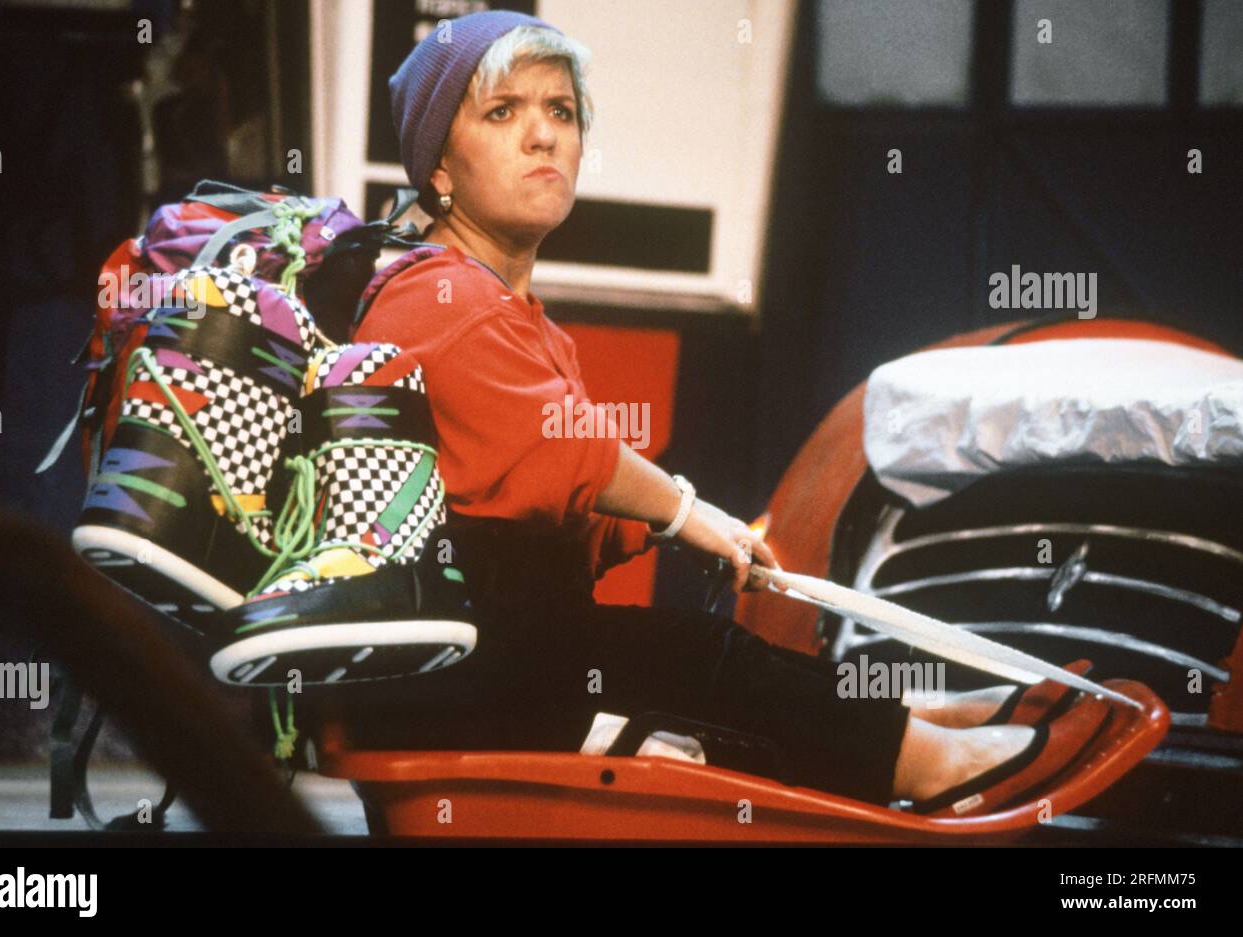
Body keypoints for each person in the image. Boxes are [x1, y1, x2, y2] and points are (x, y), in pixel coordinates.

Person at [348, 10, 1106, 813]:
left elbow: (543, 504)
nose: (544, 136)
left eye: (561, 112)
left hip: (498, 663)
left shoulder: (510, 311)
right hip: (468, 682)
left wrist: (675, 526)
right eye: (503, 112)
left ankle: (920, 722)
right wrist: (682, 512)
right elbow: (562, 458)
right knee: (694, 656)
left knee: (703, 648)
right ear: (437, 168)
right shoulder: (443, 299)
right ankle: (926, 760)